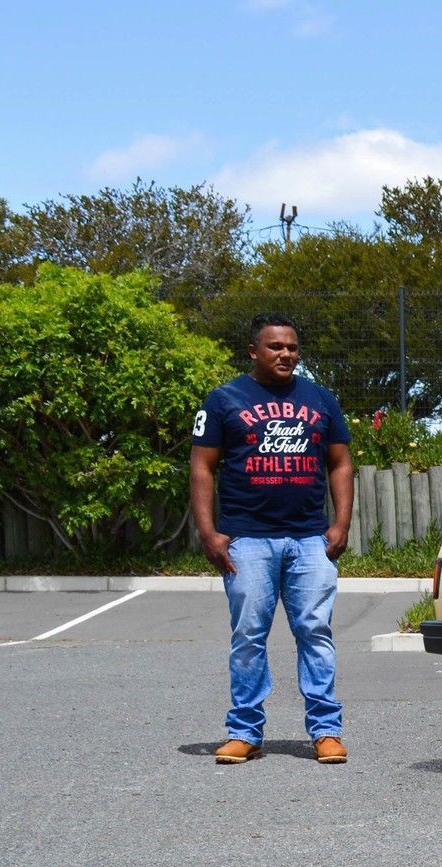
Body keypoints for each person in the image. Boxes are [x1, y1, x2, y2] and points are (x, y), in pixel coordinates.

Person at [189, 313, 354, 765]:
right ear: (254, 351)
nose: (285, 354)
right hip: (247, 539)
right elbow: (202, 466)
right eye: (275, 347)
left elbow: (340, 463)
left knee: (315, 632)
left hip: (309, 539)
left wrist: (341, 524)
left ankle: (326, 731)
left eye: (292, 347)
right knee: (248, 637)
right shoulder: (224, 399)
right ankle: (244, 732)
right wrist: (209, 532)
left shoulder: (320, 399)